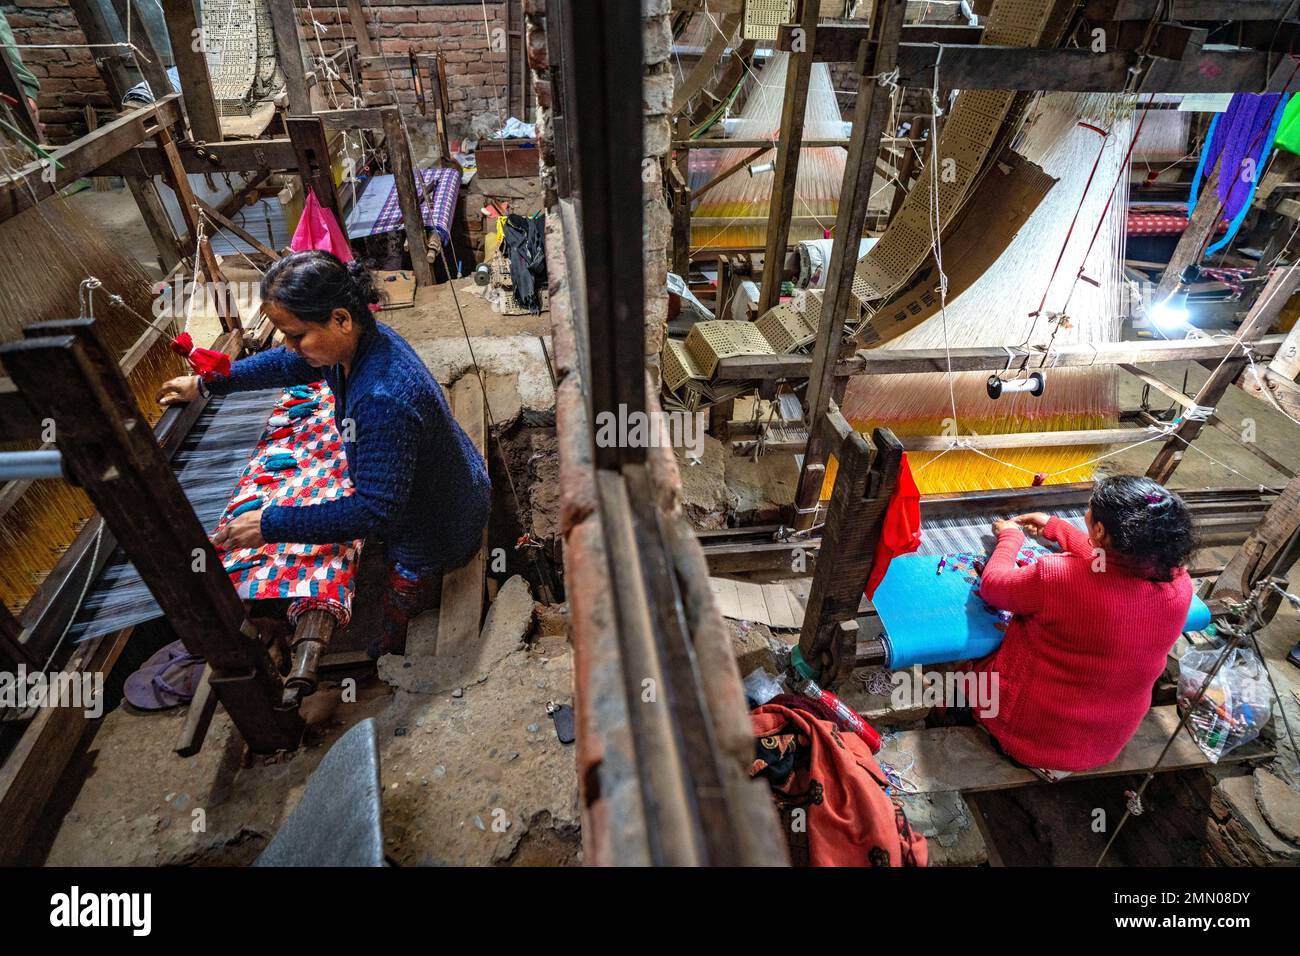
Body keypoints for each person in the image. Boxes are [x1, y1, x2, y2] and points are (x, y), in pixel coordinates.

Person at [158, 250, 491, 657]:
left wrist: (270, 524)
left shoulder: (381, 397)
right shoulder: (361, 345)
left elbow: (374, 511)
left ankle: (387, 653)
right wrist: (208, 383)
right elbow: (285, 366)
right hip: (454, 483)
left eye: (296, 335)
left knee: (403, 597)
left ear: (340, 319)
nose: (289, 345)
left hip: (440, 529)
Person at [971, 474, 1196, 776]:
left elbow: (994, 586)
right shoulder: (1179, 583)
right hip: (1107, 742)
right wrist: (1057, 528)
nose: (1085, 515)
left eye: (1089, 510)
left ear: (1100, 530)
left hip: (1029, 737)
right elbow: (1113, 569)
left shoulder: (1058, 576)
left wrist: (1010, 538)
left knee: (963, 668)